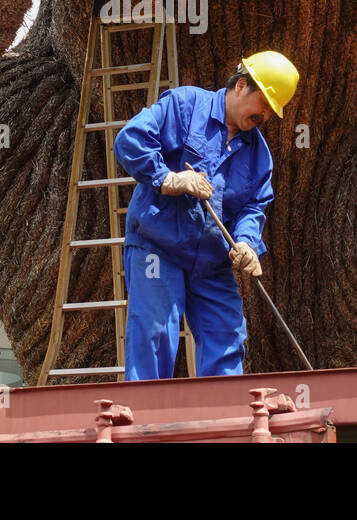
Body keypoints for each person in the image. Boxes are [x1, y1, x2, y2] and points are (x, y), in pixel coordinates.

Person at [113, 51, 299, 380]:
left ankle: (225, 423)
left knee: (227, 335)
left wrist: (246, 243)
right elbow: (131, 139)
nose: (266, 116)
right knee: (155, 329)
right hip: (158, 247)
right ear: (242, 86)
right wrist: (167, 178)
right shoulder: (186, 105)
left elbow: (253, 207)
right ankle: (143, 423)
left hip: (211, 261)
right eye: (264, 106)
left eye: (272, 112)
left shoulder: (260, 158)